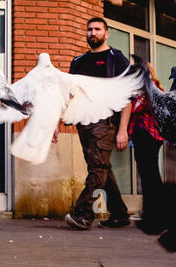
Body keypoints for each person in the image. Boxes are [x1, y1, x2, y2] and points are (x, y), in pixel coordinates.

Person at [63, 17, 132, 230]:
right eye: (90, 29)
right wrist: (58, 123)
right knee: (102, 168)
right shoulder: (78, 62)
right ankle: (119, 214)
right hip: (83, 123)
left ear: (106, 33)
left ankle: (83, 215)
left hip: (105, 122)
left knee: (97, 167)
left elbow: (127, 98)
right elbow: (68, 95)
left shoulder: (116, 59)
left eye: (97, 29)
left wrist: (123, 130)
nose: (93, 33)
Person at [128, 61, 165, 223]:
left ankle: (153, 211)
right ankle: (152, 210)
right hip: (148, 135)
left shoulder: (150, 88)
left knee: (149, 174)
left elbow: (136, 107)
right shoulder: (154, 87)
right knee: (149, 173)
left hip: (148, 135)